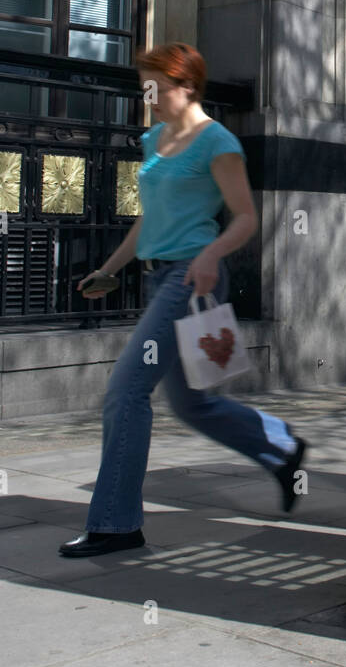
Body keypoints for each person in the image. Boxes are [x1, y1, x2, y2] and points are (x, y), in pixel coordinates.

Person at [59, 43, 307, 559]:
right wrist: (109, 270)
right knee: (194, 405)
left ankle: (116, 524)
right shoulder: (154, 140)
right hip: (158, 278)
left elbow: (244, 217)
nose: (147, 95)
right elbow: (150, 218)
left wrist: (213, 255)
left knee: (125, 393)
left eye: (156, 86)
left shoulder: (217, 142)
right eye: (143, 85)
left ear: (188, 85)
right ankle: (281, 444)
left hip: (191, 280)